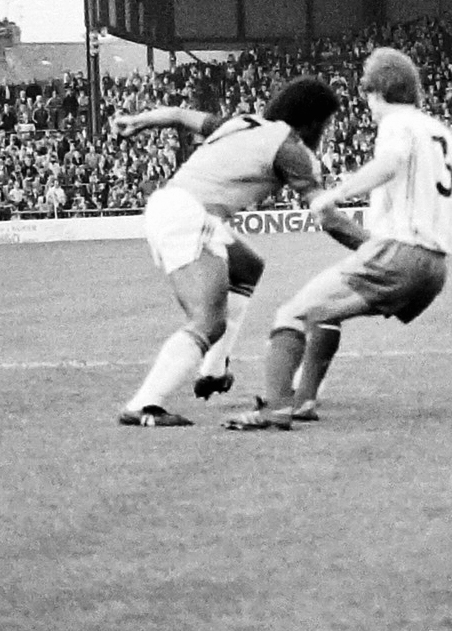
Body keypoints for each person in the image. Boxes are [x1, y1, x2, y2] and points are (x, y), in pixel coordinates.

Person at [225, 47, 452, 431]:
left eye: (366, 94)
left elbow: (390, 164)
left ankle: (276, 409)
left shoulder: (397, 124)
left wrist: (335, 195)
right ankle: (304, 400)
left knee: (290, 313)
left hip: (397, 254)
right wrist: (435, 232)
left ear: (376, 92)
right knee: (324, 311)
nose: (367, 104)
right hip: (433, 268)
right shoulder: (439, 131)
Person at [110, 76, 367, 428]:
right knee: (208, 322)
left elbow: (180, 115)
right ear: (312, 121)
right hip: (190, 215)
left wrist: (138, 122)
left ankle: (214, 370)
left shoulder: (241, 124)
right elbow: (328, 218)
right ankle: (145, 404)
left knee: (247, 267)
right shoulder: (290, 149)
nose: (326, 131)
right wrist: (383, 249)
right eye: (326, 123)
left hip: (172, 206)